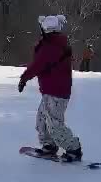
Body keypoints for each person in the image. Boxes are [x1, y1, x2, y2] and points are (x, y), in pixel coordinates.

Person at [18, 15, 82, 161]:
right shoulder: (55, 44)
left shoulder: (51, 47)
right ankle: (49, 145)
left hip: (56, 93)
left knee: (54, 124)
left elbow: (37, 66)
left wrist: (24, 78)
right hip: (51, 92)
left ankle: (74, 149)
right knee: (41, 119)